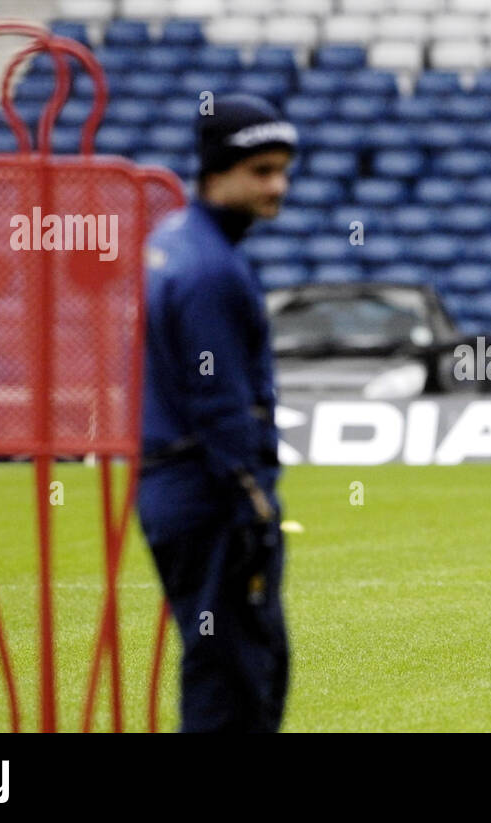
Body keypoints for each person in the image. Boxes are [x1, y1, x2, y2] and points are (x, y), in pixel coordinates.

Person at [137, 95, 297, 730]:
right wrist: (254, 499)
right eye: (261, 170)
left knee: (223, 663)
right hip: (209, 494)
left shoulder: (172, 241)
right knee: (238, 681)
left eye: (283, 169)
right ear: (215, 171)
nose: (278, 185)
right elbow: (220, 403)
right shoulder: (210, 270)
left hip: (169, 485)